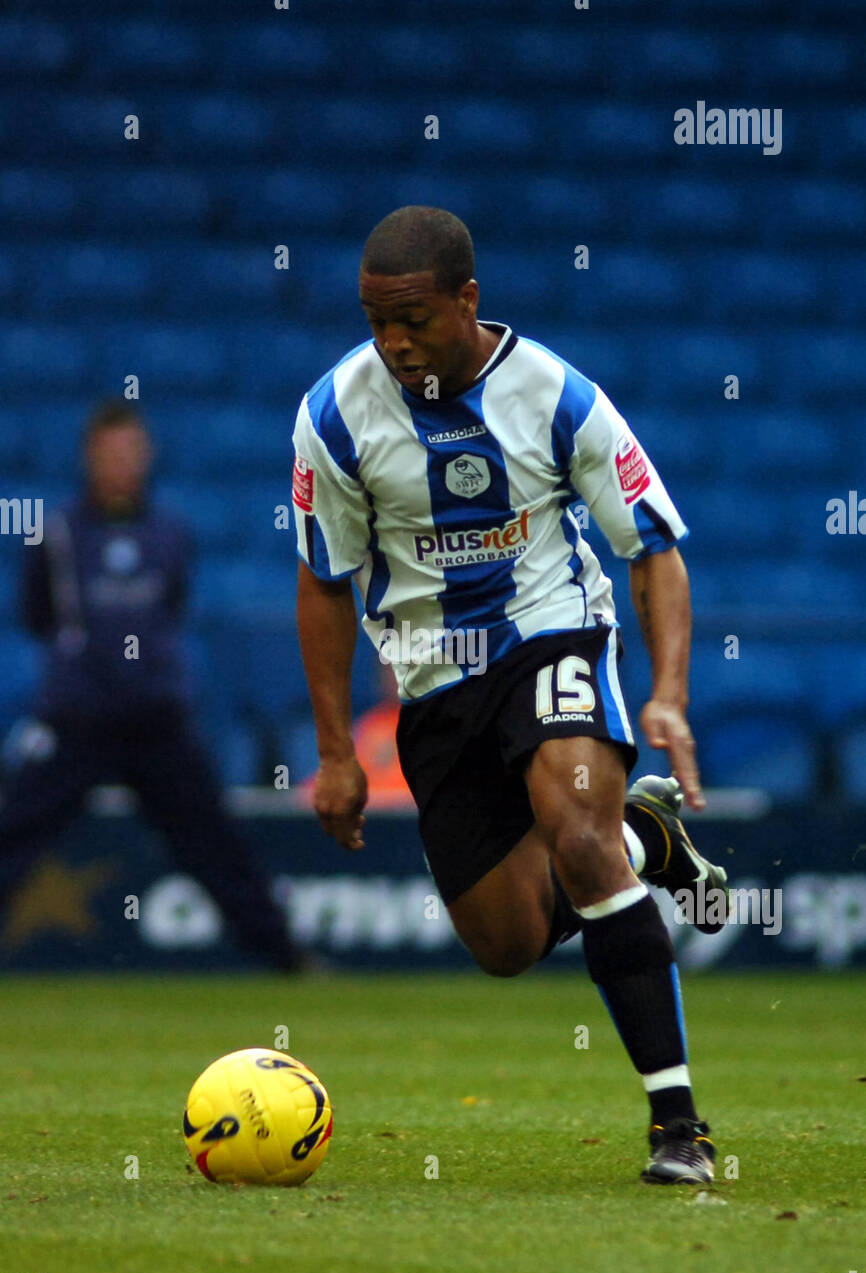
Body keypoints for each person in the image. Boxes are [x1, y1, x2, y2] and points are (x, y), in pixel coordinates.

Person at [293, 206, 728, 1182]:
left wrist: (664, 693)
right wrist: (329, 751)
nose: (394, 343)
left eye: (413, 318)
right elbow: (323, 582)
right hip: (430, 677)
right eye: (375, 322)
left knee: (572, 828)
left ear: (467, 299)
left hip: (549, 632)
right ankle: (642, 839)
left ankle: (676, 1128)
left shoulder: (555, 396)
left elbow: (651, 547)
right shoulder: (331, 416)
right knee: (506, 939)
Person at [0, 399, 301, 970]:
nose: (122, 465)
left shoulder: (169, 532)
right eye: (111, 454)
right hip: (78, 720)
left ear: (147, 458)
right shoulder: (57, 533)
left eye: (132, 452)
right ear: (90, 459)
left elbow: (171, 608)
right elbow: (39, 615)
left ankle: (284, 957)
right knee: (15, 833)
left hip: (155, 720)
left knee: (215, 843)